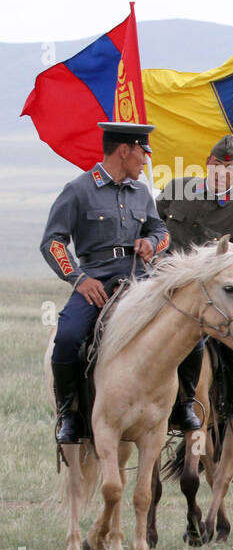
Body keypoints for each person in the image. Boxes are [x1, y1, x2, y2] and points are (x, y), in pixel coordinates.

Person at [43, 121, 170, 443]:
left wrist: (151, 244)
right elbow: (53, 242)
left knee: (189, 330)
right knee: (68, 338)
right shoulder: (78, 189)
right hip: (95, 278)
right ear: (124, 150)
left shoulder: (142, 193)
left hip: (139, 278)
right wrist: (78, 279)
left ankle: (183, 407)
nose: (145, 160)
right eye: (143, 152)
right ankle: (68, 414)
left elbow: (162, 232)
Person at [156, 134, 233, 424]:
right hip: (165, 290)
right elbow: (153, 228)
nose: (223, 173)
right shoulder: (177, 189)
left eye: (230, 169)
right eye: (218, 165)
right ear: (208, 163)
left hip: (210, 299)